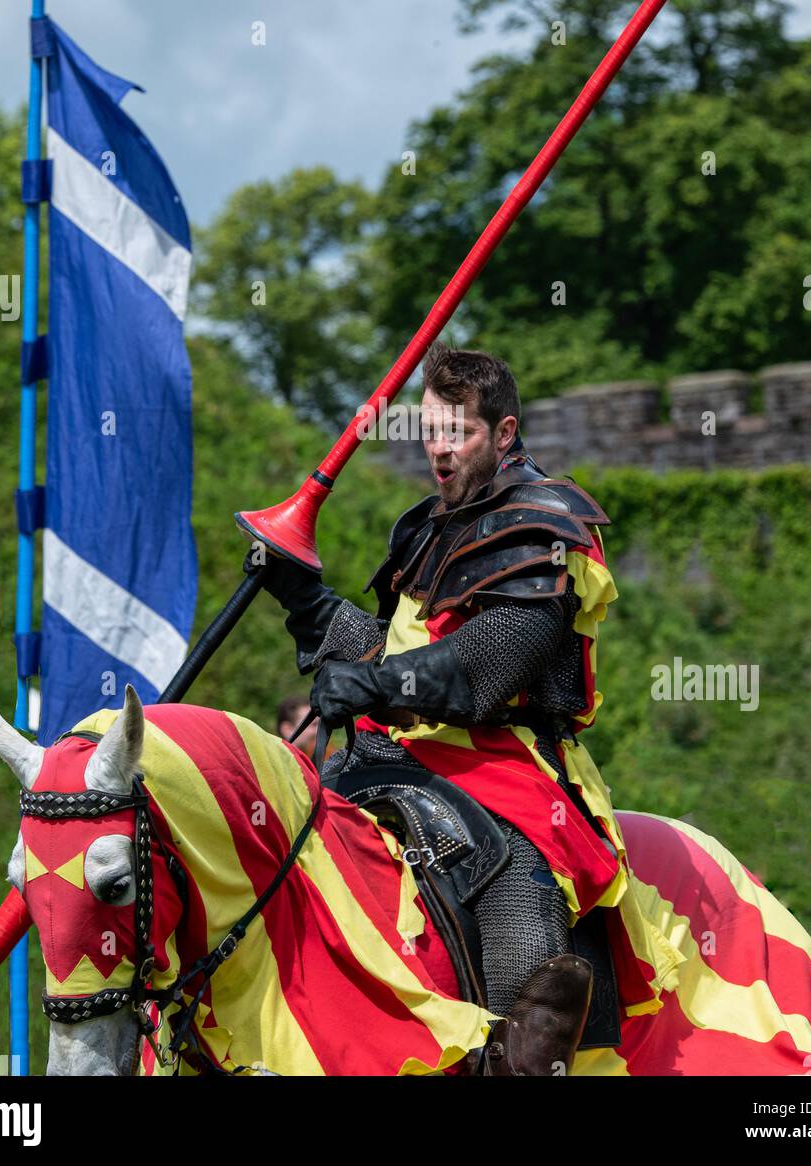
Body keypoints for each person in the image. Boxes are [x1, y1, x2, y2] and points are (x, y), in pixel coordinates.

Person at [247, 341, 626, 1075]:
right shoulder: (426, 529)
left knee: (516, 894)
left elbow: (481, 667)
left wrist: (377, 688)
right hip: (396, 755)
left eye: (461, 434)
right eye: (432, 434)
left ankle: (519, 1064)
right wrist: (307, 600)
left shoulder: (547, 528)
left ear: (505, 433)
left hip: (507, 765)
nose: (441, 452)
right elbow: (390, 648)